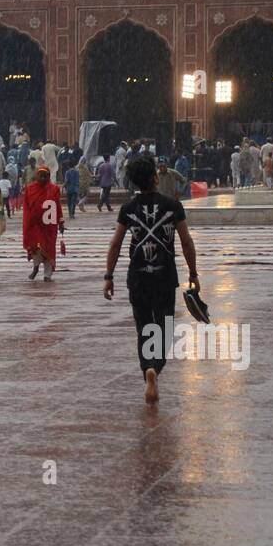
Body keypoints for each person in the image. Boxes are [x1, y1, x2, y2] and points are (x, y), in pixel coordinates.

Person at [103, 155, 199, 406]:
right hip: (165, 277)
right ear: (156, 178)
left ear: (134, 182)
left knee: (144, 329)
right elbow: (186, 242)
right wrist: (193, 273)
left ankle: (148, 371)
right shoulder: (172, 206)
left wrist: (109, 276)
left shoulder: (128, 209)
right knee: (164, 329)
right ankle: (155, 368)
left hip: (138, 278)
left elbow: (115, 244)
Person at [22, 165, 64, 280]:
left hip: (50, 226)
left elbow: (57, 206)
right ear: (36, 176)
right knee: (36, 247)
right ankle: (35, 267)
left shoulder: (54, 189)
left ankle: (47, 275)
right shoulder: (30, 189)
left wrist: (61, 221)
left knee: (49, 248)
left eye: (46, 176)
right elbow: (26, 207)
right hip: (35, 225)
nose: (43, 179)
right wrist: (28, 223)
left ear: (49, 176)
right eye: (41, 176)